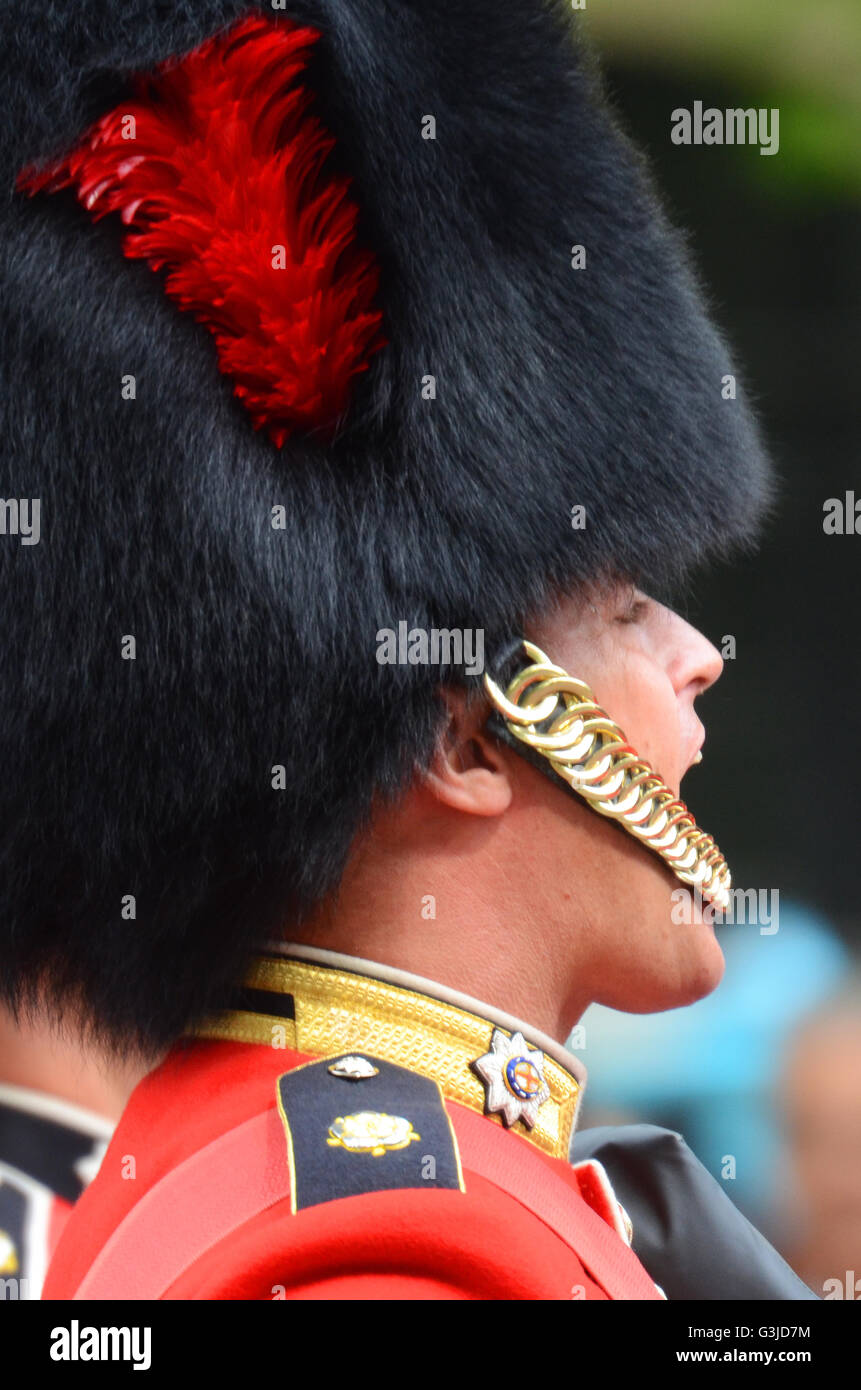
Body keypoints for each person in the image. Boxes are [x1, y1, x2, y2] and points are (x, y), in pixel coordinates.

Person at [0, 1, 806, 1299]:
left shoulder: (347, 1179)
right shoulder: (393, 1246)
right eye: (618, 609)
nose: (696, 653)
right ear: (463, 735)